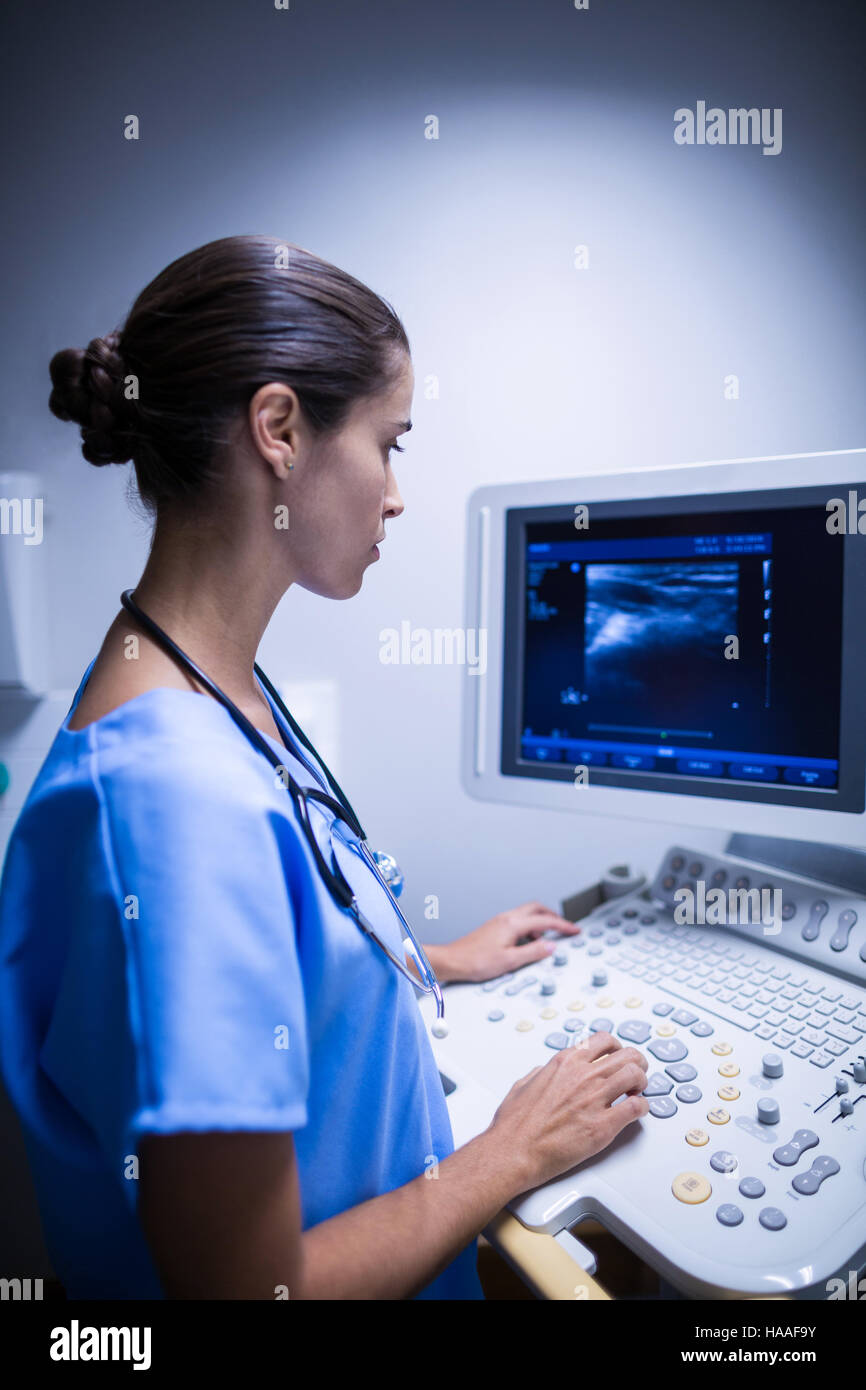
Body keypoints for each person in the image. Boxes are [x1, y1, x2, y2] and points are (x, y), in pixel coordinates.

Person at [0, 235, 649, 1300]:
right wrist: (512, 1151)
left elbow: (259, 955)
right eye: (390, 443)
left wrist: (420, 955)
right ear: (280, 430)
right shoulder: (174, 802)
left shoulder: (198, 685)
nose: (396, 494)